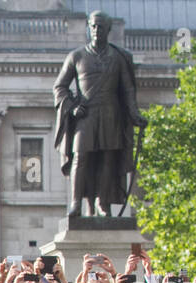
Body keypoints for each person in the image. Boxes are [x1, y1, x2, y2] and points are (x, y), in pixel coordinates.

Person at [53, 10, 147, 217]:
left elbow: (128, 90)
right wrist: (72, 107)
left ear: (108, 29)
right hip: (85, 116)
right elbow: (59, 87)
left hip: (111, 114)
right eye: (93, 26)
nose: (97, 30)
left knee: (107, 158)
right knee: (80, 157)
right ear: (89, 27)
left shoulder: (119, 58)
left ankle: (102, 203)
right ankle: (76, 203)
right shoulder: (76, 56)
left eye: (101, 27)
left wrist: (134, 114)